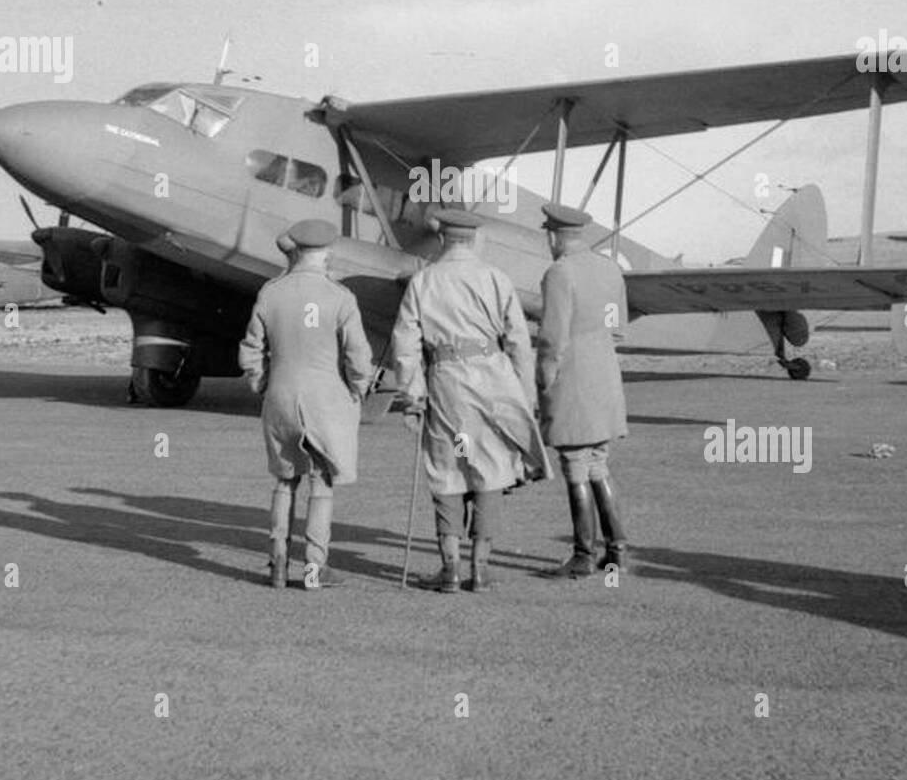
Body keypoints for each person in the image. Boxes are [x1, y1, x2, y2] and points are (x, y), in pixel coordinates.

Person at [391, 208, 550, 593]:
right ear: (474, 239)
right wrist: (525, 397)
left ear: (442, 238)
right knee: (490, 466)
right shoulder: (496, 278)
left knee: (451, 463)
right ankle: (479, 570)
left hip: (449, 388)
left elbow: (406, 344)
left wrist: (413, 396)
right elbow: (518, 341)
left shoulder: (423, 281)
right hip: (494, 383)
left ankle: (451, 569)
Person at [239, 219, 374, 590]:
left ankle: (278, 563)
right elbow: (358, 356)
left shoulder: (271, 292)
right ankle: (314, 570)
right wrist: (358, 389)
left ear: (296, 250)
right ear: (326, 253)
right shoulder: (340, 297)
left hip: (280, 396)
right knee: (321, 482)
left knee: (285, 479)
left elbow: (251, 349)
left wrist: (261, 383)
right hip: (325, 402)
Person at [536, 203, 629, 577]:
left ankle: (582, 555)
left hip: (572, 377)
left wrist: (544, 377)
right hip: (605, 374)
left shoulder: (560, 272)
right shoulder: (610, 269)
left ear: (554, 236)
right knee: (597, 461)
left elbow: (553, 338)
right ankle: (617, 550)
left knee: (575, 463)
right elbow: (618, 328)